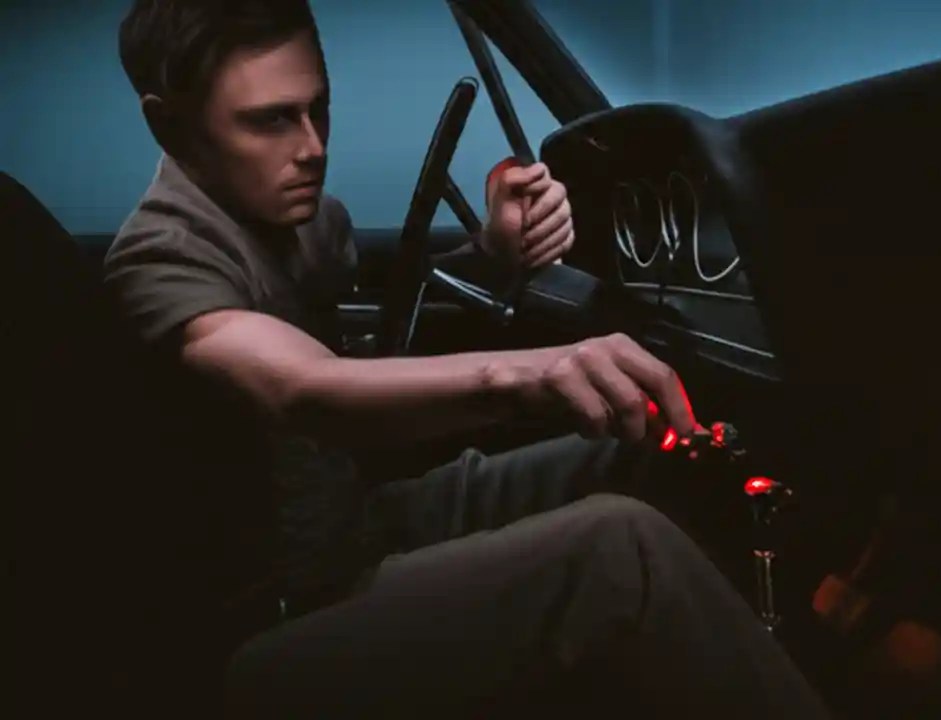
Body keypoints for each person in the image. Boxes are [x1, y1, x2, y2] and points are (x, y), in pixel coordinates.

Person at [104, 1, 832, 717]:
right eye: (269, 120)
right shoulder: (161, 256)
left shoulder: (299, 221)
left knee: (638, 446)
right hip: (270, 626)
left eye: (317, 109)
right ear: (170, 124)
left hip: (356, 523)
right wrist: (528, 373)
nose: (313, 147)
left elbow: (376, 353)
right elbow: (305, 387)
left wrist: (491, 254)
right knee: (621, 550)